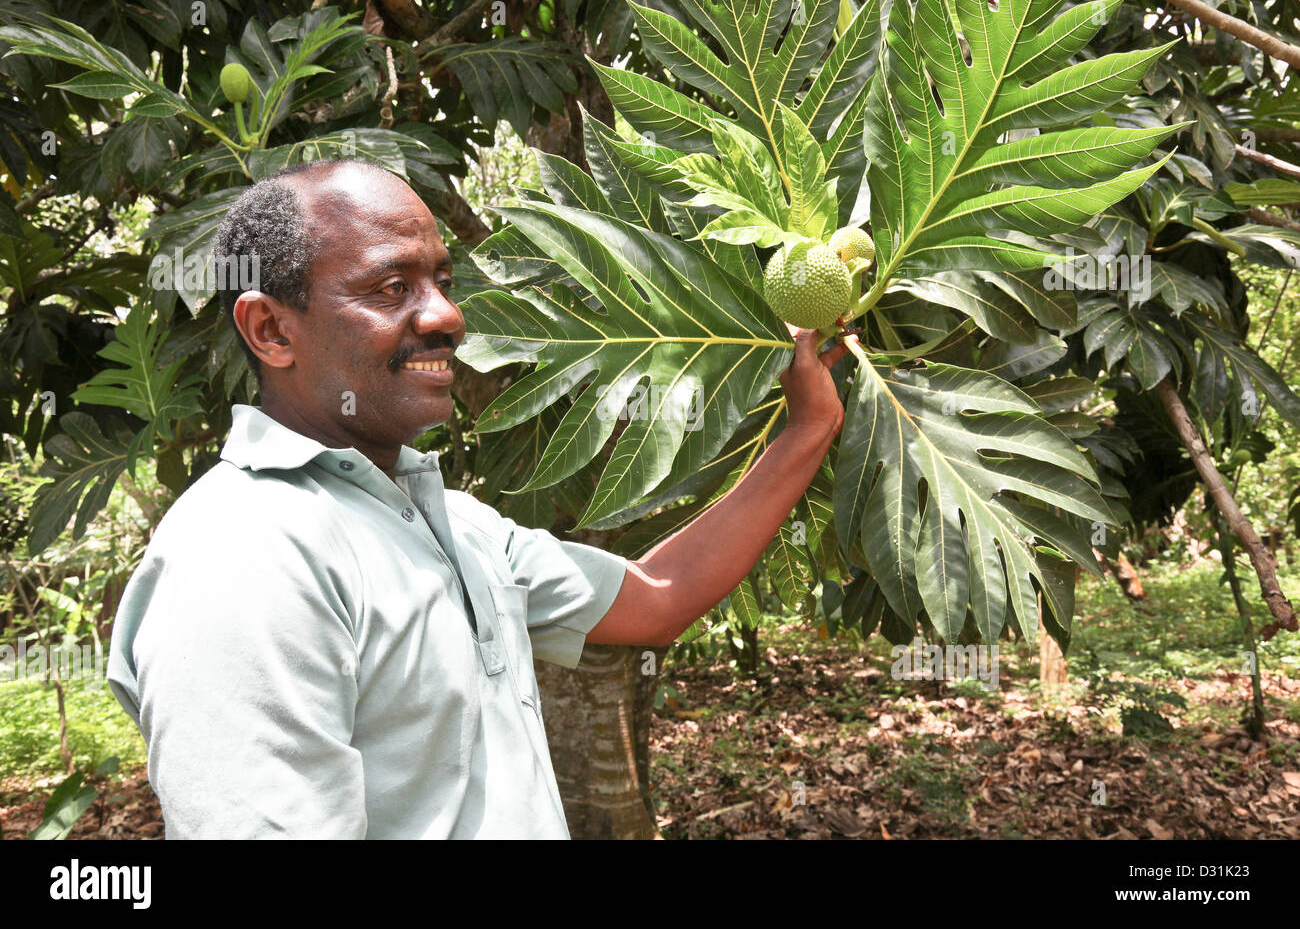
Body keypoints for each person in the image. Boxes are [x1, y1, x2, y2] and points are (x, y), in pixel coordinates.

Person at [107, 158, 850, 838]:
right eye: (392, 288)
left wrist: (807, 428)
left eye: (442, 283)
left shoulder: (456, 528)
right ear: (271, 329)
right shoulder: (247, 555)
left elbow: (658, 598)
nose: (447, 318)